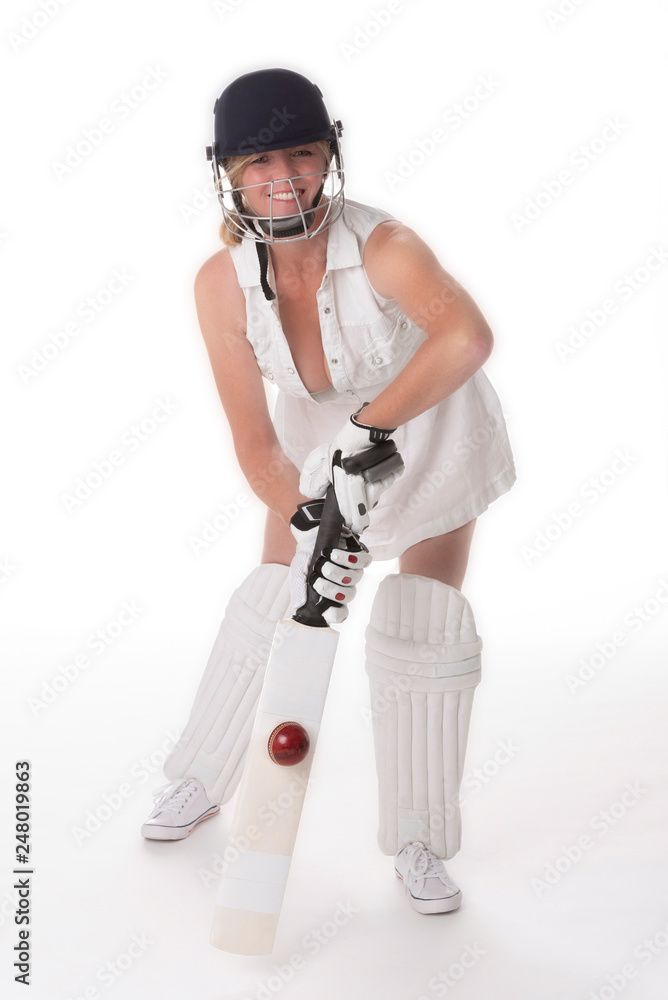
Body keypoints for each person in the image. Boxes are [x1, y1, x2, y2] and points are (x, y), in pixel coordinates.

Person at [141, 67, 516, 915]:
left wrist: (370, 432)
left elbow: (466, 337)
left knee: (422, 627)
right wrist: (312, 514)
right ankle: (200, 778)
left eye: (301, 154)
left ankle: (419, 839)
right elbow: (254, 443)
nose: (284, 177)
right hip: (313, 457)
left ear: (328, 157)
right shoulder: (220, 284)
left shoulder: (387, 246)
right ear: (229, 174)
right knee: (275, 599)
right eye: (260, 161)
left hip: (436, 436)